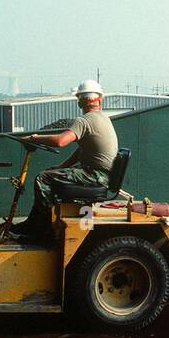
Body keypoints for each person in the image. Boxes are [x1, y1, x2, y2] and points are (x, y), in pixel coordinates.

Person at [10, 79, 118, 244]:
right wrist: (62, 166)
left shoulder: (85, 120)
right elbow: (81, 150)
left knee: (43, 178)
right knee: (52, 174)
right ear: (99, 99)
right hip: (101, 175)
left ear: (80, 101)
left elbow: (61, 141)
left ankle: (41, 229)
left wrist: (35, 138)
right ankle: (36, 224)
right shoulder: (103, 118)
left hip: (95, 175)